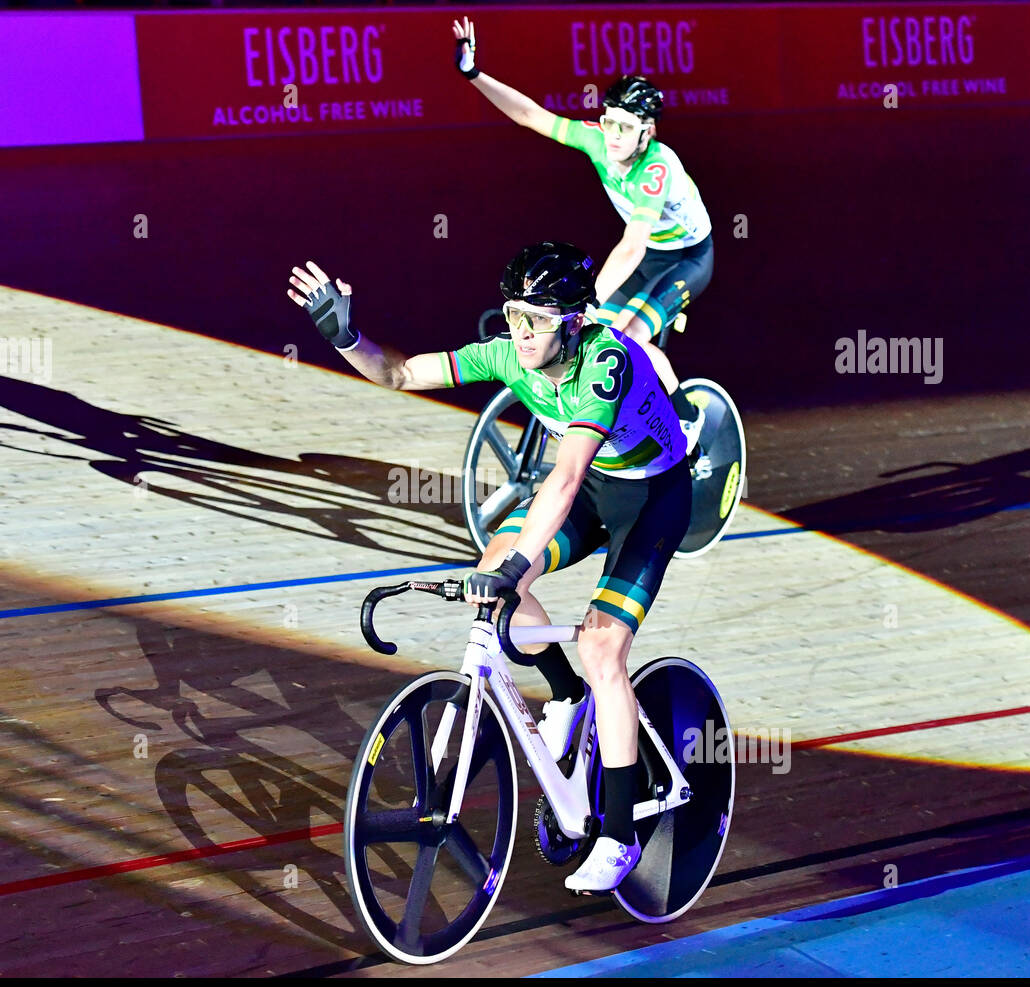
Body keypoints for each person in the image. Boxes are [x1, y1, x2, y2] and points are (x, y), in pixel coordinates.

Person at [287, 241, 692, 892]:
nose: (523, 333)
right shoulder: (508, 352)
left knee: (603, 645)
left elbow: (564, 477)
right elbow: (398, 373)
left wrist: (520, 564)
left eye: (538, 318)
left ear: (575, 319)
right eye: (513, 315)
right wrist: (347, 336)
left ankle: (618, 833)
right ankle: (564, 693)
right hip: (592, 490)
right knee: (494, 577)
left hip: (651, 498)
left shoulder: (605, 359)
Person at [452, 16, 713, 442]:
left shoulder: (657, 168)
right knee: (596, 334)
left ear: (647, 133)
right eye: (608, 121)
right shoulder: (596, 140)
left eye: (625, 127)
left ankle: (685, 418)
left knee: (628, 337)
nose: (612, 135)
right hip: (649, 255)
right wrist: (473, 74)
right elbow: (530, 115)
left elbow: (631, 248)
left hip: (686, 259)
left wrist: (590, 298)